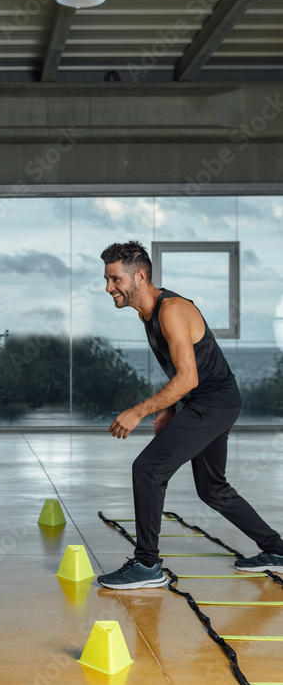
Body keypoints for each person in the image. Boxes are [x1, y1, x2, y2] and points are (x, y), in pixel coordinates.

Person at [96, 240, 283, 590]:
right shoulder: (146, 313)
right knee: (212, 488)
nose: (108, 288)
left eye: (114, 279)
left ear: (139, 276)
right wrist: (167, 408)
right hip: (213, 401)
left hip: (212, 402)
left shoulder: (172, 310)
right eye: (106, 280)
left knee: (148, 469)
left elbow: (189, 377)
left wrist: (138, 411)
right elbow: (177, 368)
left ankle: (147, 564)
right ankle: (277, 549)